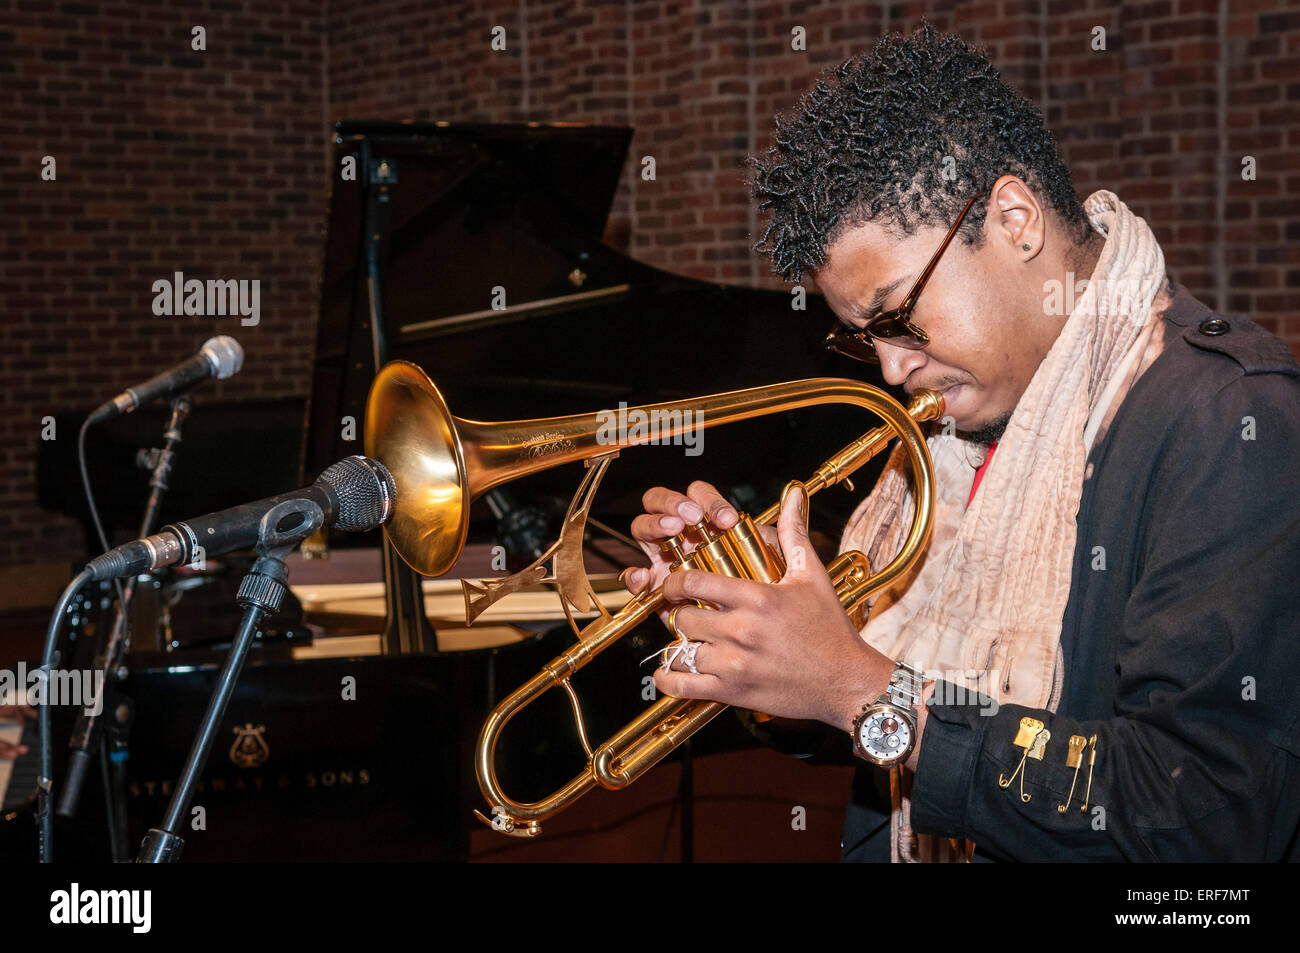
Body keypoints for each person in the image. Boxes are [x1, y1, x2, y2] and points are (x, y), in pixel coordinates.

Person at [621, 24, 1300, 861]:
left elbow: (1205, 816)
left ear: (1014, 220)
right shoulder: (952, 431)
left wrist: (865, 690)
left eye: (900, 318)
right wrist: (770, 634)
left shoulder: (1228, 421)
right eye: (864, 339)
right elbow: (867, 733)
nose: (894, 369)